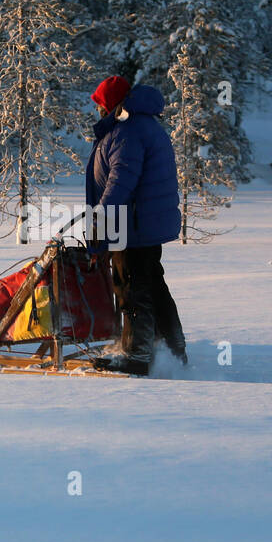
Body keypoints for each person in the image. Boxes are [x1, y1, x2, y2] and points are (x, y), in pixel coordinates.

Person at [85, 75, 188, 375]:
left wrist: (100, 222)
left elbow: (120, 184)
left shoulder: (127, 133)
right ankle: (170, 346)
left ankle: (137, 354)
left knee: (130, 286)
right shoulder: (139, 126)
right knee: (152, 284)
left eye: (100, 105)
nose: (98, 111)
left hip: (132, 225)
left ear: (112, 105)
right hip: (141, 222)